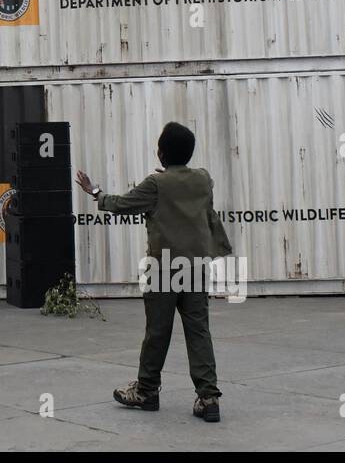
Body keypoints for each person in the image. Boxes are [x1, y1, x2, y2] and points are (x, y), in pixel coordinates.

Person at [75, 121, 231, 423]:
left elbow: (122, 205)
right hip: (196, 266)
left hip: (164, 268)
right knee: (198, 330)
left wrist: (95, 191)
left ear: (162, 153)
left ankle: (147, 390)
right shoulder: (203, 179)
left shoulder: (156, 184)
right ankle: (208, 397)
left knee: (158, 331)